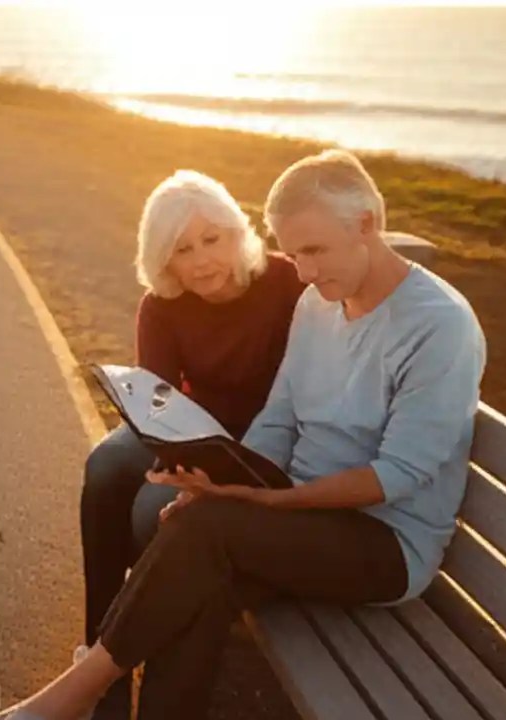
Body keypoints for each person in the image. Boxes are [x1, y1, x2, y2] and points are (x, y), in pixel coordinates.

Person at [0, 149, 487, 720]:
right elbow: (278, 418)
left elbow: (397, 477)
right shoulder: (316, 303)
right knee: (192, 568)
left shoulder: (439, 325)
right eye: (294, 253)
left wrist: (268, 500)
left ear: (368, 225)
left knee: (204, 533)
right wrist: (230, 479)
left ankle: (73, 694)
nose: (301, 270)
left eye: (315, 250)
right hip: (300, 517)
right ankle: (91, 695)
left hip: (383, 544)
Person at [78, 170, 304, 718]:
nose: (203, 260)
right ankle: (100, 664)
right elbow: (158, 403)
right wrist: (167, 460)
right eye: (183, 248)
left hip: (261, 443)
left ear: (237, 234)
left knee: (150, 514)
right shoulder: (161, 306)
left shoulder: (286, 284)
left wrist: (179, 480)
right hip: (193, 431)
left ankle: (153, 638)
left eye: (213, 239)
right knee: (106, 467)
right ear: (163, 259)